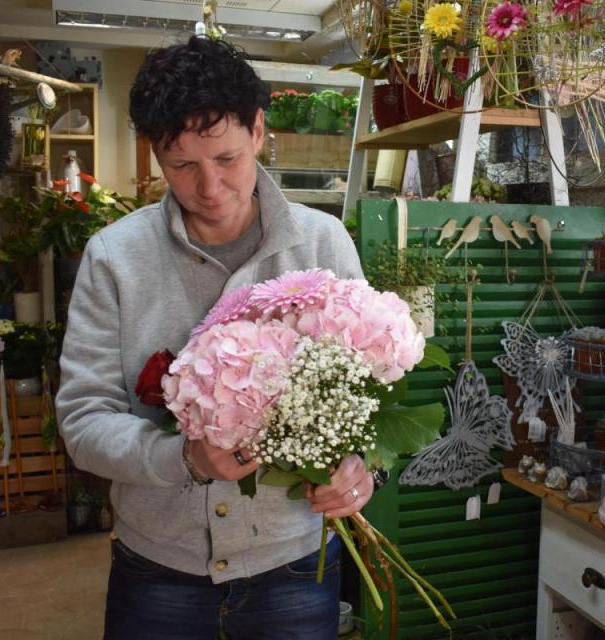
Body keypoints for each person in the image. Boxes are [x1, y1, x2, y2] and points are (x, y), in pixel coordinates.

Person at [56, 36, 373, 640]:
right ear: (155, 155)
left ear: (257, 130)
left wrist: (361, 470)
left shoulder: (322, 243)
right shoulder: (114, 259)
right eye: (183, 165)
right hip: (158, 571)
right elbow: (83, 420)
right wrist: (183, 457)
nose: (210, 187)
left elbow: (367, 396)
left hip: (294, 564)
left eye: (227, 158)